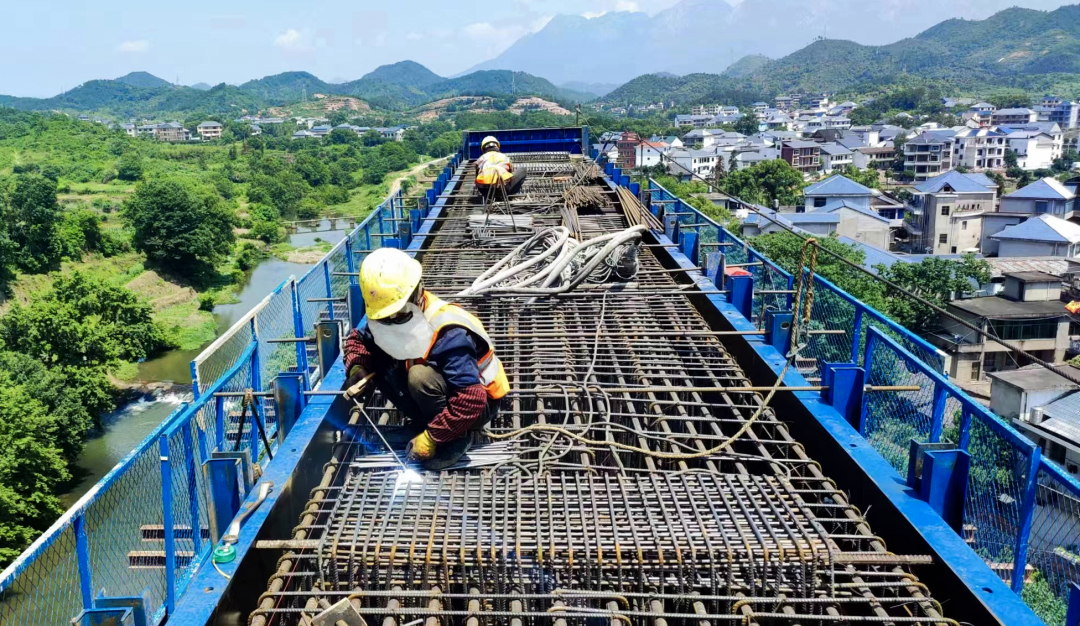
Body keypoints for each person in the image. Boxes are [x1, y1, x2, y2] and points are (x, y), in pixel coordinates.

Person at [341, 248, 509, 469]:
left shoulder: (449, 332)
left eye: (398, 312)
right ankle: (425, 423)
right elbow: (357, 339)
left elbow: (471, 400)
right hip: (447, 395)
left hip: (478, 405)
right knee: (380, 356)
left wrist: (431, 438)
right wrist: (357, 367)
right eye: (385, 316)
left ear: (417, 292)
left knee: (420, 376)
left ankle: (454, 437)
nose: (391, 320)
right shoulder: (389, 319)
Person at [474, 135, 525, 200]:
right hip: (503, 190)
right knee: (522, 170)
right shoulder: (505, 157)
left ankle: (489, 196)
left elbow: (476, 179)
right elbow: (510, 175)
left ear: (483, 149)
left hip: (485, 191)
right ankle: (509, 195)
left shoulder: (479, 160)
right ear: (497, 147)